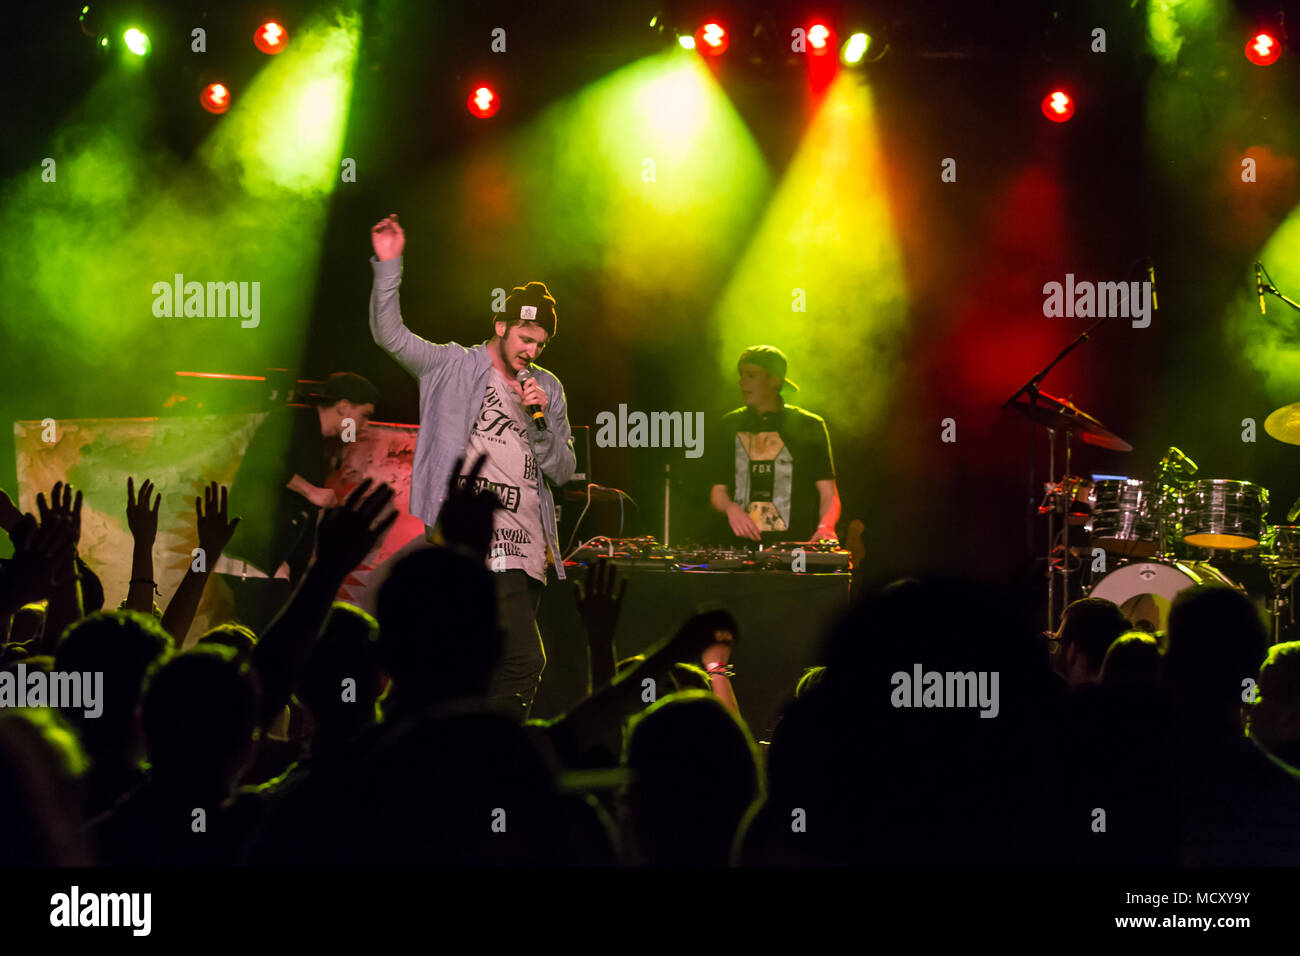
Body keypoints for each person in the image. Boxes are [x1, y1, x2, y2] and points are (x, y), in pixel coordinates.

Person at [368, 213, 576, 718]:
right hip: (477, 538)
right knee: (526, 659)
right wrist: (388, 265)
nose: (531, 349)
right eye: (524, 336)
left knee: (478, 659)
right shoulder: (451, 366)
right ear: (500, 326)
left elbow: (564, 470)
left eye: (540, 342)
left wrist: (541, 421)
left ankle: (424, 739)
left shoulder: (547, 389)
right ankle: (494, 757)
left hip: (528, 546)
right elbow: (390, 335)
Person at [216, 372, 377, 628]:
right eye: (364, 415)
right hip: (254, 556)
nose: (365, 425)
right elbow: (264, 463)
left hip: (271, 563)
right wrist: (311, 491)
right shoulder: (295, 418)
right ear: (344, 407)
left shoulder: (321, 440)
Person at [708, 345, 840, 545]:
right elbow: (718, 492)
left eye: (751, 375)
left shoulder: (809, 425)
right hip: (739, 551)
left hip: (793, 550)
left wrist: (826, 527)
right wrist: (731, 509)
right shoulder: (730, 423)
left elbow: (829, 493)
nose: (742, 382)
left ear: (774, 380)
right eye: (741, 375)